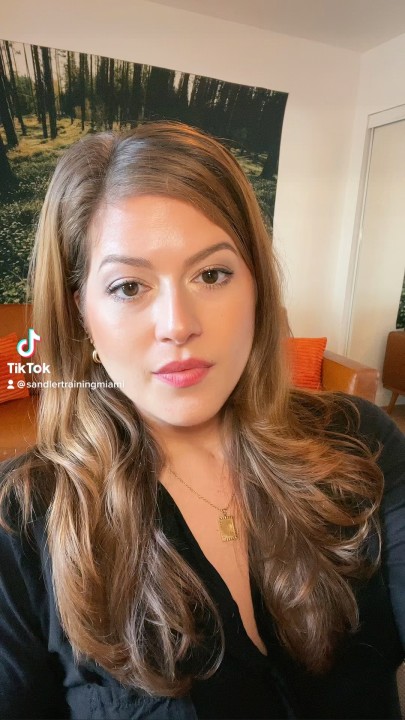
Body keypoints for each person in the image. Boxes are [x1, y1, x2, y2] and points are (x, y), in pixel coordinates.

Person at [0, 121, 404, 720]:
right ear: (81, 312)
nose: (178, 324)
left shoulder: (360, 440)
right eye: (129, 286)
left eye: (212, 274)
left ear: (256, 285)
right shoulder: (21, 521)